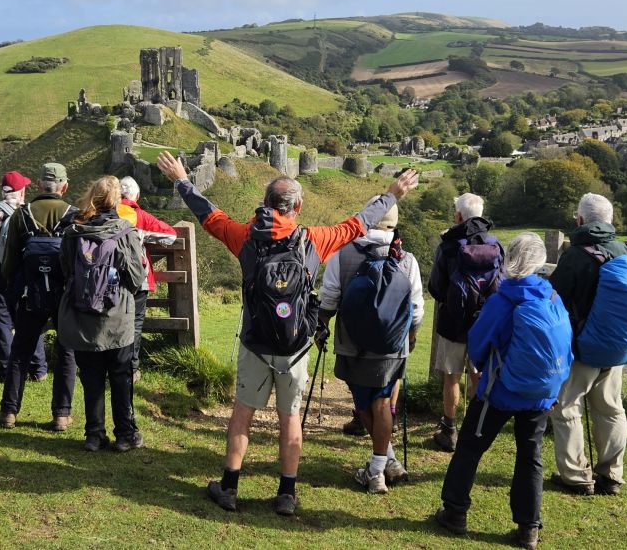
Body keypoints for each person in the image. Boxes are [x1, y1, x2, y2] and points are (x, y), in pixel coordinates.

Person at [157, 151, 420, 516]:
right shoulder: (313, 240)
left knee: (242, 414)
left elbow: (209, 216)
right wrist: (392, 193)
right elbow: (359, 224)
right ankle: (286, 494)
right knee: (290, 417)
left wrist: (182, 180)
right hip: (295, 347)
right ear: (298, 205)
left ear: (265, 204)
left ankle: (229, 488)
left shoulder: (245, 237)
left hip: (256, 344)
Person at [435, 233, 572, 550]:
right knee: (530, 455)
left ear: (509, 258)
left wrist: (481, 367)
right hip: (540, 393)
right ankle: (528, 528)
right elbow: (566, 343)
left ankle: (455, 512)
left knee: (470, 447)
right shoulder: (552, 298)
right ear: (539, 262)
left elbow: (479, 341)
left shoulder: (504, 300)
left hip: (500, 391)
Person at [318, 200, 423, 494]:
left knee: (367, 403)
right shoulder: (407, 259)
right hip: (392, 345)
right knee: (381, 402)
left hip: (353, 344)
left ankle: (376, 472)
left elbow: (329, 298)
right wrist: (410, 338)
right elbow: (416, 309)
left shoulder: (344, 253)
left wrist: (321, 324)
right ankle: (388, 459)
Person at [548, 193, 627, 497]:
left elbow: (554, 295)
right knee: (610, 407)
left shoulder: (576, 254)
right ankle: (611, 474)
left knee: (566, 407)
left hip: (583, 346)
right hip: (616, 344)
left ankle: (575, 476)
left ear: (580, 220)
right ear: (611, 220)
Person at [58, 176, 147, 452]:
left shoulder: (74, 231)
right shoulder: (124, 231)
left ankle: (94, 435)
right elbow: (135, 277)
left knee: (91, 376)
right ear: (117, 200)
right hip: (117, 315)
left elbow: (65, 270)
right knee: (121, 375)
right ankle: (125, 434)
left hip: (82, 315)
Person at [0, 163, 77, 430]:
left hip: (30, 295)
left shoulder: (21, 215)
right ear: (64, 187)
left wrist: (14, 287)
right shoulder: (75, 216)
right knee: (66, 352)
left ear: (40, 186)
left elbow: (8, 260)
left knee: (21, 351)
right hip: (64, 297)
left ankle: (9, 412)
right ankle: (61, 415)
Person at [427, 193, 503, 452]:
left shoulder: (449, 245)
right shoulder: (495, 244)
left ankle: (449, 430)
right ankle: (475, 429)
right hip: (485, 323)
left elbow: (435, 287)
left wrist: (451, 302)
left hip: (453, 324)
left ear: (458, 215)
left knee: (451, 377)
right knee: (478, 375)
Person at [0, 171, 48, 383]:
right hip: (22, 273)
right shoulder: (29, 214)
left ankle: (7, 371)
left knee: (1, 322)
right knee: (28, 319)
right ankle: (38, 368)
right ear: (21, 192)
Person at [117, 176, 177, 382]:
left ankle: (109, 365)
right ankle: (131, 369)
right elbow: (170, 235)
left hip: (107, 280)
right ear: (137, 196)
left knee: (109, 320)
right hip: (136, 279)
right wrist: (145, 239)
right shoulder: (139, 216)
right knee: (134, 323)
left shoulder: (103, 213)